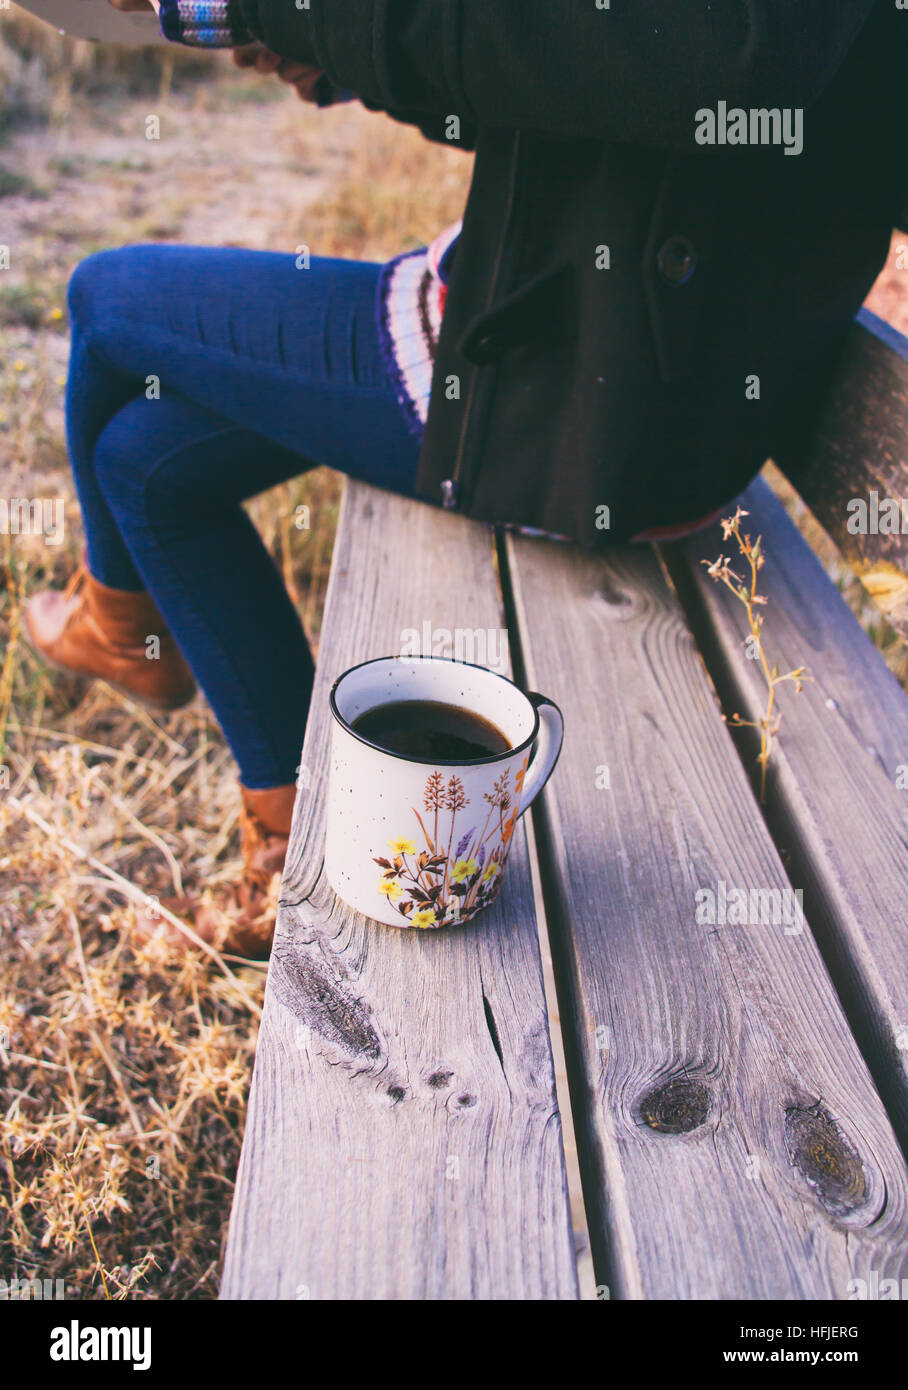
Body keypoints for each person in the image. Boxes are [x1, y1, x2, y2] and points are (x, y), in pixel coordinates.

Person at [25, 0, 908, 957]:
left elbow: (702, 59)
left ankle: (116, 622)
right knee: (142, 459)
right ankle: (282, 826)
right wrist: (339, 53)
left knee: (104, 298)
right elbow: (574, 76)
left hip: (560, 396)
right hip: (573, 358)